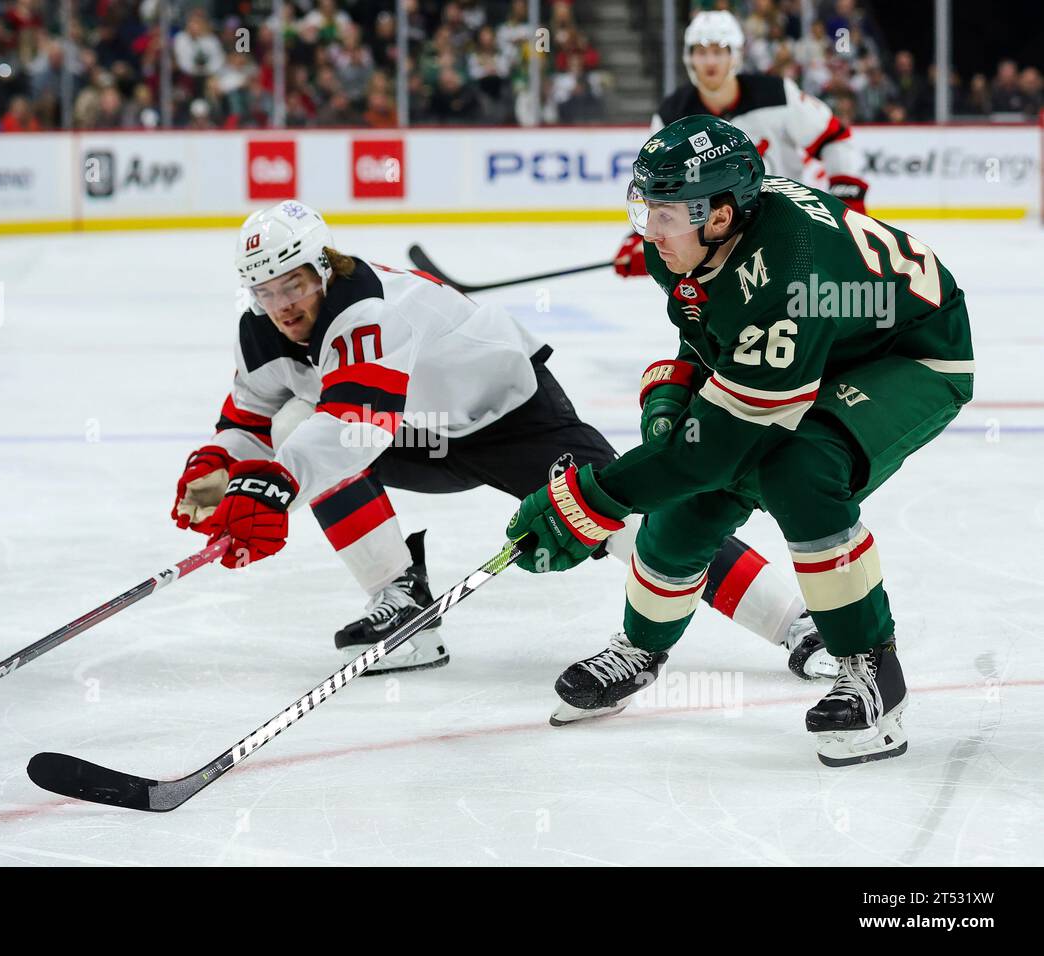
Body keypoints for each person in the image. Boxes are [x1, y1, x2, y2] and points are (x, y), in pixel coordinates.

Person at [172, 200, 834, 677]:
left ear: (321, 268)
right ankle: (403, 607)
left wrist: (269, 489)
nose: (282, 304)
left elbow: (354, 427)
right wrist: (215, 481)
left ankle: (796, 623)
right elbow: (248, 423)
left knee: (626, 518)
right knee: (291, 426)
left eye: (292, 283)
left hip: (510, 416)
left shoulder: (366, 306)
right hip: (419, 433)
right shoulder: (259, 328)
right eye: (266, 290)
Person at [507, 116, 973, 766]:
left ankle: (873, 672)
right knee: (689, 505)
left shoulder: (792, 266)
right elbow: (710, 330)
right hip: (826, 336)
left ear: (721, 217)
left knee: (800, 468)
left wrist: (593, 498)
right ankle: (641, 648)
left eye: (663, 213)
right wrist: (674, 390)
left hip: (909, 352)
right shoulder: (687, 246)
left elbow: (712, 450)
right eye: (642, 207)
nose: (647, 230)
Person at [614, 10, 868, 278]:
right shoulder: (672, 114)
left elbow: (834, 137)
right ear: (689, 58)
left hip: (785, 230)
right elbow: (661, 192)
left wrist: (846, 192)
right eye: (701, 51)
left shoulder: (777, 95)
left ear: (735, 54)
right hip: (715, 245)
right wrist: (644, 242)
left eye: (719, 50)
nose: (710, 61)